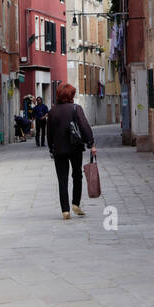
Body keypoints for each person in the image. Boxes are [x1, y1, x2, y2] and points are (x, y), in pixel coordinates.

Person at [47, 82, 95, 220]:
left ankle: (65, 211)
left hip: (59, 150)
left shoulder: (52, 111)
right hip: (75, 148)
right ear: (70, 95)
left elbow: (49, 133)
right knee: (77, 176)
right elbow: (84, 126)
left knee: (62, 179)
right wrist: (91, 143)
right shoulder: (76, 108)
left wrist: (51, 147)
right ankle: (75, 204)